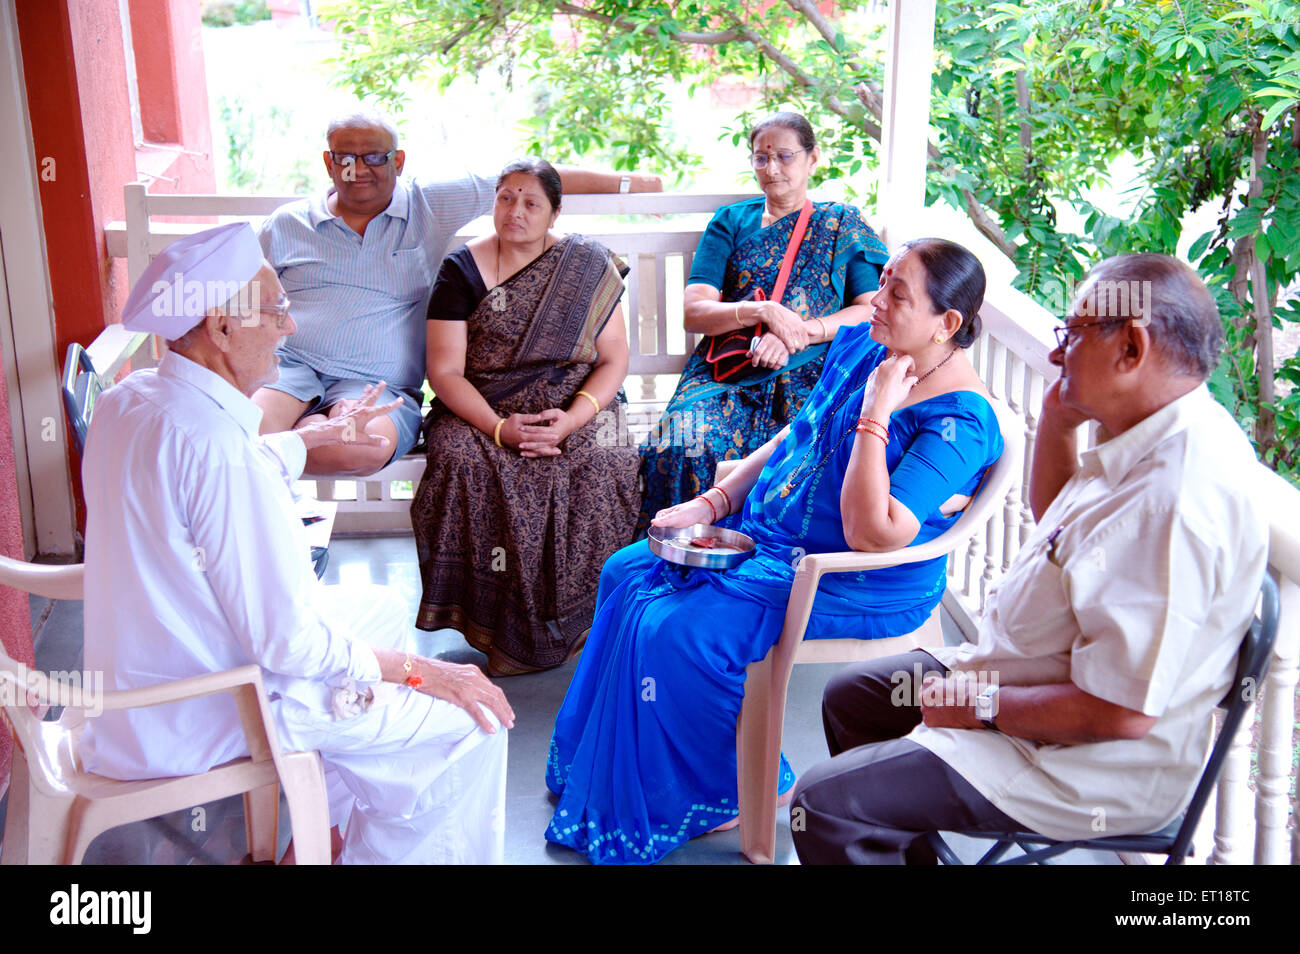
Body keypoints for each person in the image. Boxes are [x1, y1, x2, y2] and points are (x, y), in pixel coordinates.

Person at [790, 253, 1270, 865]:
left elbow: (1121, 713)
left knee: (825, 803)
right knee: (852, 696)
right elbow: (1058, 521)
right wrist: (1061, 420)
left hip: (1081, 763)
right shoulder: (1156, 424)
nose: (1055, 354)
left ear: (1133, 348)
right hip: (1025, 673)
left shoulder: (1175, 500)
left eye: (1072, 336)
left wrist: (981, 707)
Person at [546, 239, 1004, 864]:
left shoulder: (959, 418)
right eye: (885, 280)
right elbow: (800, 433)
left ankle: (726, 787)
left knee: (678, 631)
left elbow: (875, 532)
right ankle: (649, 762)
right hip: (774, 539)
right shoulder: (872, 345)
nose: (878, 298)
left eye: (898, 294)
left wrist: (875, 414)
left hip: (851, 578)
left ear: (947, 324)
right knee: (626, 574)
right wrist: (712, 504)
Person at [80, 223, 516, 864]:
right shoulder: (218, 450)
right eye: (278, 309)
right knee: (471, 724)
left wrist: (311, 437)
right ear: (222, 328)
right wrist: (429, 673)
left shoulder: (133, 398)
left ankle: (327, 836)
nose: (290, 329)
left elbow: (212, 471)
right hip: (212, 704)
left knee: (380, 611)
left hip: (156, 668)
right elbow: (286, 643)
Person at [255, 108, 662, 477]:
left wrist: (631, 183)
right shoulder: (288, 223)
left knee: (356, 447)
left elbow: (532, 178)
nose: (358, 169)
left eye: (374, 157)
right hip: (289, 370)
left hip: (376, 384)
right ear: (329, 162)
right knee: (241, 429)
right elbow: (242, 299)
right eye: (345, 158)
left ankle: (300, 438)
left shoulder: (428, 203)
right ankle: (297, 451)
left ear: (397, 161)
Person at [411, 159, 640, 676]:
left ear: (555, 212)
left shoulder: (586, 264)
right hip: (481, 407)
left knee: (608, 460)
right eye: (505, 198)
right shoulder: (461, 270)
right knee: (464, 462)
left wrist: (572, 419)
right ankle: (500, 632)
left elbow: (612, 361)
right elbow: (444, 371)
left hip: (575, 403)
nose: (515, 210)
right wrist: (498, 427)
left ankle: (584, 625)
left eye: (531, 201)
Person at [637, 111, 888, 531]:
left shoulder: (841, 223)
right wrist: (764, 312)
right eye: (760, 159)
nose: (771, 169)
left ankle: (755, 564)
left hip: (812, 371)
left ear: (813, 159)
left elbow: (869, 308)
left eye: (785, 157)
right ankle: (673, 556)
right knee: (683, 445)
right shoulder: (730, 222)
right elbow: (694, 311)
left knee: (802, 453)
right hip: (729, 369)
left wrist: (799, 333)